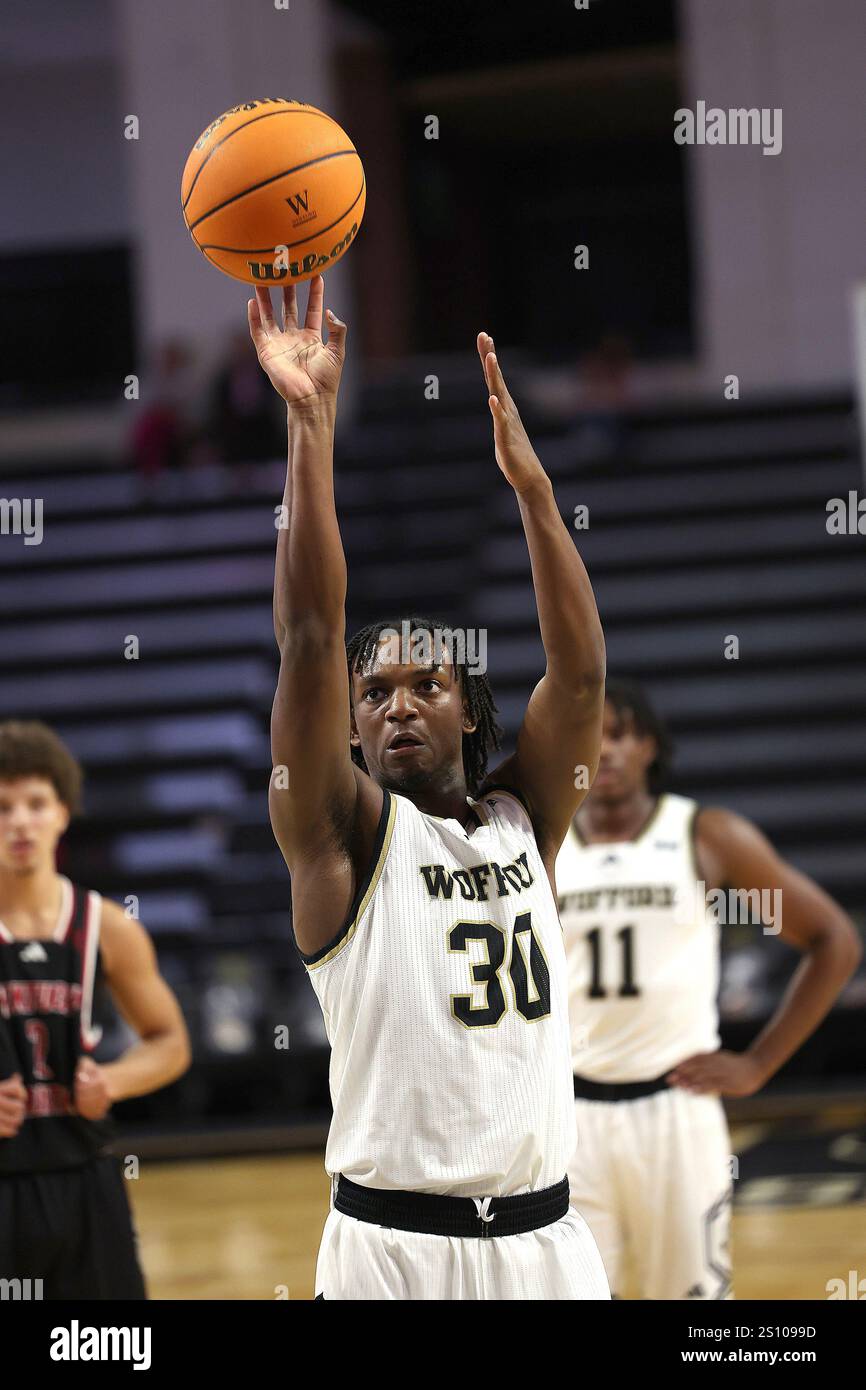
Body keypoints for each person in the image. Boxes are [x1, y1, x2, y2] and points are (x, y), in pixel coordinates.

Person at [248, 274, 609, 1300]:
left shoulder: (523, 817)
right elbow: (309, 633)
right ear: (352, 729)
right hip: (390, 1252)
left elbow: (578, 677)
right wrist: (311, 425)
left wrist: (536, 496)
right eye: (374, 692)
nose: (396, 703)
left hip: (545, 1243)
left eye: (426, 682)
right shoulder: (340, 838)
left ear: (468, 711)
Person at [556, 682, 861, 1299]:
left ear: (649, 747)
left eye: (620, 733)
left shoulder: (706, 834)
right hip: (567, 1117)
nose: (606, 750)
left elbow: (833, 939)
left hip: (677, 1108)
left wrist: (758, 1064)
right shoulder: (541, 842)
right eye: (593, 735)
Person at [0, 721, 191, 1299]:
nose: (20, 821)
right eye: (3, 806)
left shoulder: (107, 926)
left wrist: (110, 1079)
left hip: (86, 1177)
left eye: (36, 803)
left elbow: (170, 1042)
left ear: (63, 812)